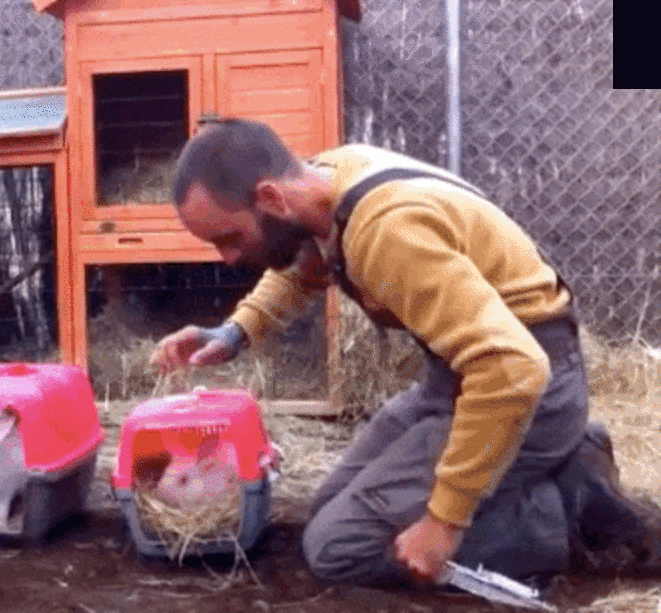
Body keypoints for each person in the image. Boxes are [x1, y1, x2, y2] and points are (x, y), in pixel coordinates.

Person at [151, 118, 657, 585]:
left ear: (270, 197)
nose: (228, 258)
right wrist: (235, 332)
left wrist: (444, 522)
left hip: (526, 393)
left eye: (229, 237)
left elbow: (513, 368)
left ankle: (563, 514)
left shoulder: (388, 232)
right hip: (460, 379)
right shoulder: (326, 181)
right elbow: (303, 262)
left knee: (337, 548)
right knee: (328, 507)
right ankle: (555, 464)